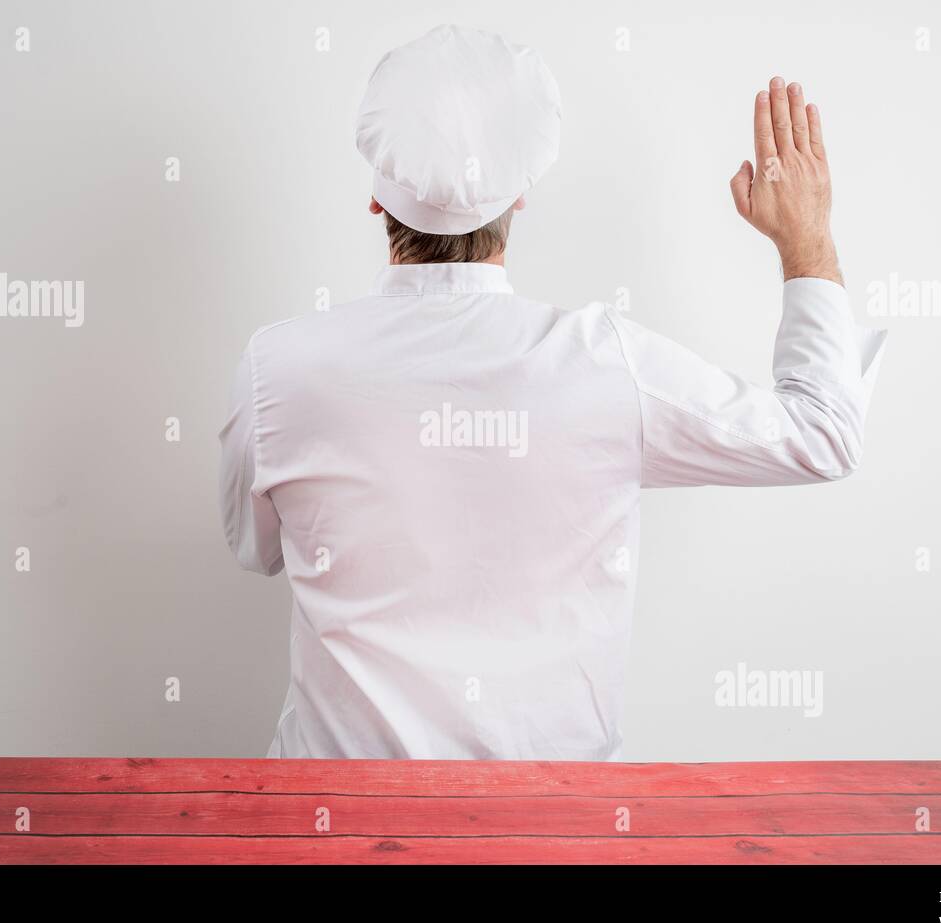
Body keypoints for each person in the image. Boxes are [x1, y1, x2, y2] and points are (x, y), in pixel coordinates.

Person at [218, 25, 886, 760]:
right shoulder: (606, 366)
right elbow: (823, 433)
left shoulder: (279, 366)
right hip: (552, 831)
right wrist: (807, 240)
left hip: (325, 830)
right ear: (521, 197)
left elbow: (255, 549)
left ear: (378, 201)